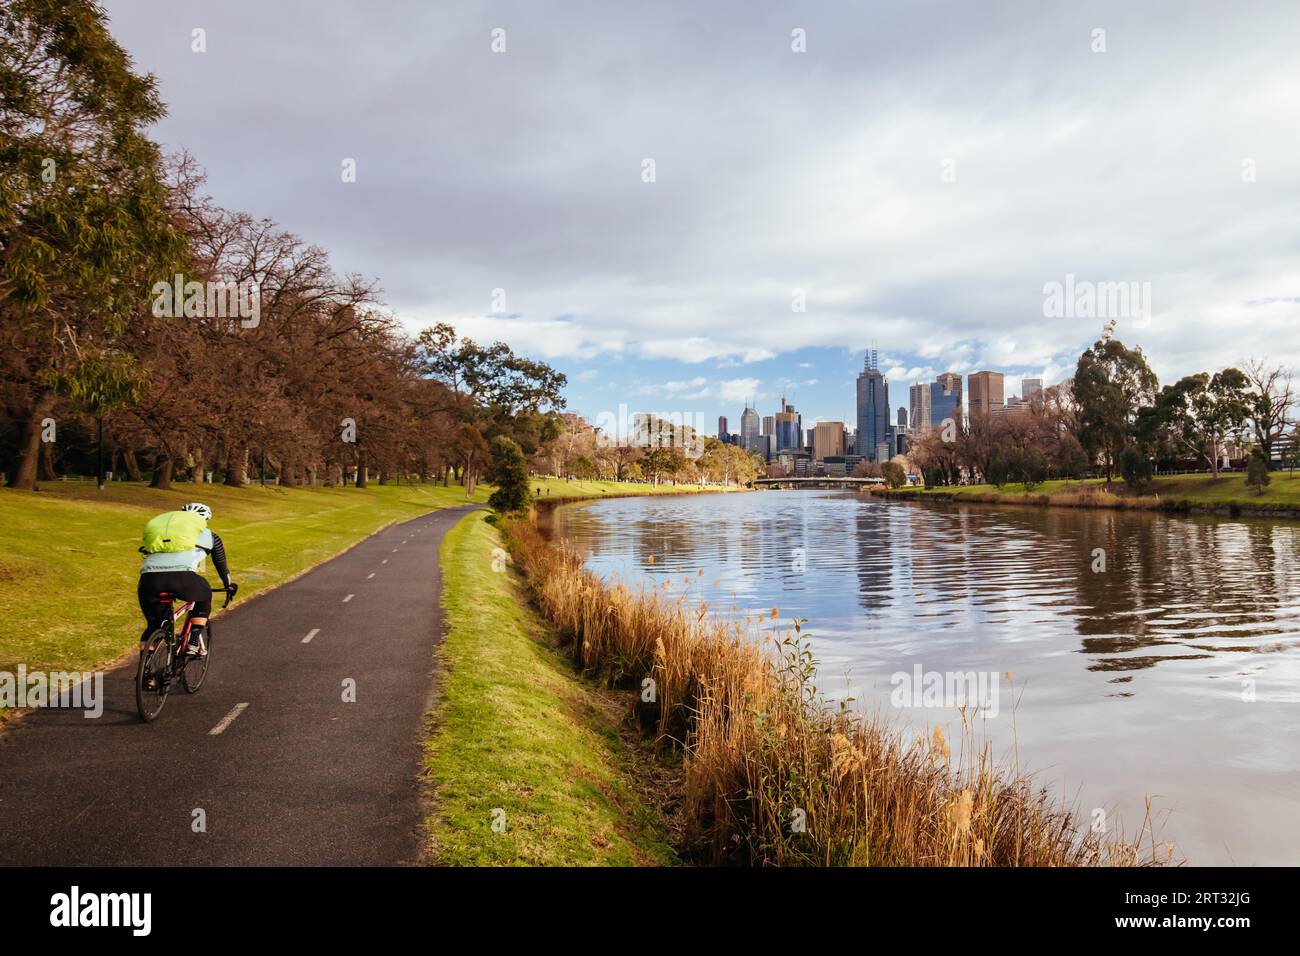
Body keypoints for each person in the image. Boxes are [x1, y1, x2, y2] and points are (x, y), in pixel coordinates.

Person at [137, 502, 236, 657]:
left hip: (149, 581)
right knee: (204, 593)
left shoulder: (163, 534)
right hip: (182, 579)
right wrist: (228, 585)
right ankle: (193, 642)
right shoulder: (210, 535)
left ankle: (146, 675)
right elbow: (221, 565)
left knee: (154, 626)